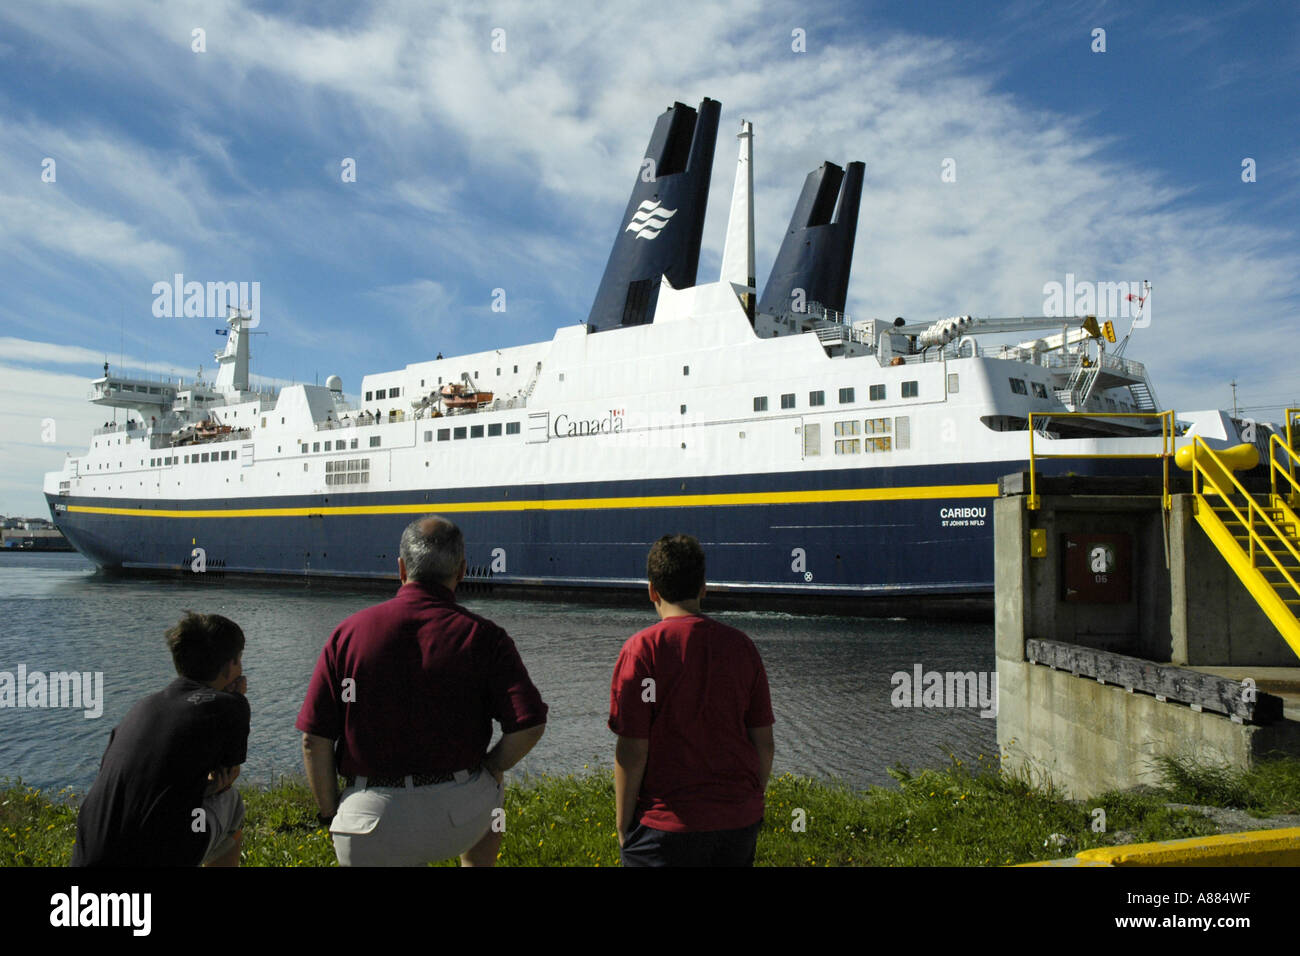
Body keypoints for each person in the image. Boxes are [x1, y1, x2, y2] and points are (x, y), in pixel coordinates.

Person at [296, 516, 547, 866]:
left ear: (401, 568)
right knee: (494, 788)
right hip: (459, 821)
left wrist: (329, 812)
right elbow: (529, 724)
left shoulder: (348, 634)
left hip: (368, 825)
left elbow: (314, 740)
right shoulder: (485, 637)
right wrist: (491, 765)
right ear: (462, 571)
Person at [608, 534, 775, 867]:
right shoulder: (742, 647)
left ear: (652, 590)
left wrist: (624, 827)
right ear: (704, 588)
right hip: (737, 825)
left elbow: (632, 750)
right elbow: (764, 744)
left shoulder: (642, 651)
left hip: (665, 829)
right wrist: (750, 800)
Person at [71, 612, 249, 867]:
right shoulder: (231, 705)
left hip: (90, 859)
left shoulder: (141, 708)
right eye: (240, 659)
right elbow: (228, 776)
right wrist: (237, 699)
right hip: (158, 856)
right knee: (230, 803)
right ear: (229, 665)